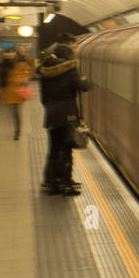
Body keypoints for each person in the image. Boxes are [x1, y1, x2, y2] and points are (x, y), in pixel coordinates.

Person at [38, 42, 90, 195]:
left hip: (51, 115)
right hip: (67, 115)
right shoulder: (70, 71)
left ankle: (51, 183)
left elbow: (44, 97)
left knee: (54, 150)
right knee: (66, 149)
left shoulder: (45, 72)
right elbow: (83, 87)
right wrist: (84, 80)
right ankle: (66, 183)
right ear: (68, 57)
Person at [0, 47, 33, 139]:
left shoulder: (20, 62)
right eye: (7, 53)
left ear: (14, 53)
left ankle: (17, 131)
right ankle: (16, 128)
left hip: (18, 90)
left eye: (11, 52)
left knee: (16, 111)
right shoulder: (2, 64)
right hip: (7, 90)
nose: (9, 54)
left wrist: (24, 80)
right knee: (12, 112)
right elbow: (0, 78)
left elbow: (28, 72)